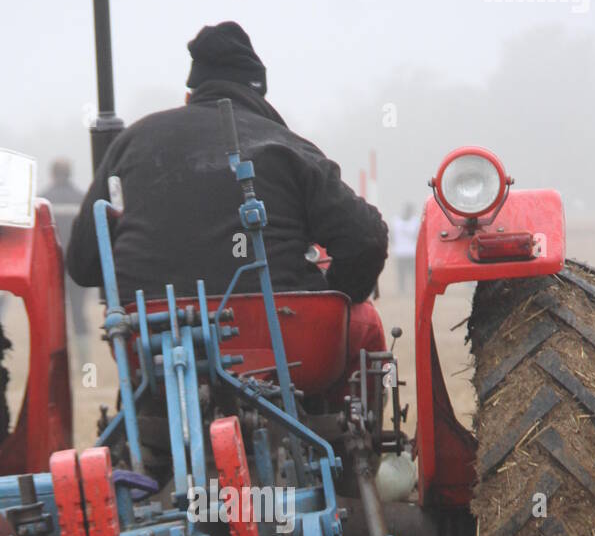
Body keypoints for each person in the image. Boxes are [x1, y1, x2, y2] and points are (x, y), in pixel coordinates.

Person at [66, 22, 388, 390]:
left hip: (152, 342)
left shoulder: (130, 143)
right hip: (284, 343)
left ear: (191, 92)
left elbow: (83, 265)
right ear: (259, 95)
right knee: (364, 323)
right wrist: (340, 293)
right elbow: (366, 238)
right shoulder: (287, 146)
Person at [40, 159, 90, 363]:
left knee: (54, 315)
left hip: (51, 268)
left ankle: (55, 361)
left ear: (52, 174)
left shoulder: (43, 200)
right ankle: (84, 362)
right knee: (78, 313)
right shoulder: (81, 199)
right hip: (77, 267)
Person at [390, 203, 420, 295]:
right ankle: (404, 290)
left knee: (409, 273)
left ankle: (407, 290)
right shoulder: (414, 222)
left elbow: (391, 237)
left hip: (409, 252)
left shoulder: (397, 222)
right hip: (404, 252)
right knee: (403, 273)